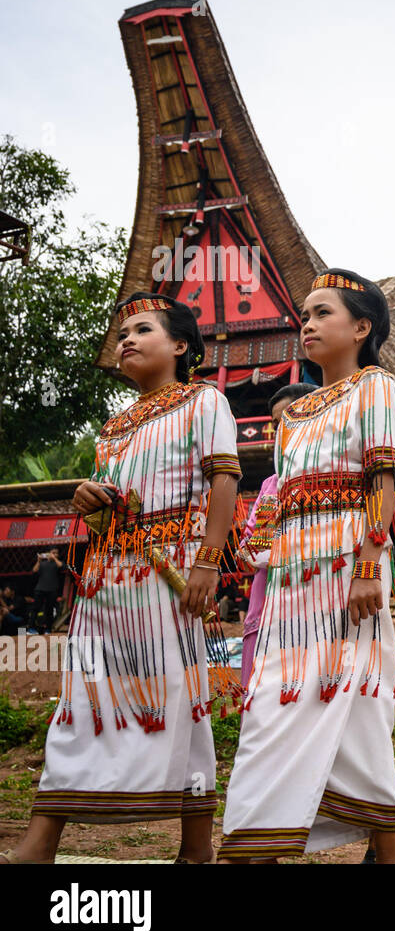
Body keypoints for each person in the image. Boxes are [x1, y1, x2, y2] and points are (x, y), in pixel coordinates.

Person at [3, 292, 239, 865]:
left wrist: (208, 562)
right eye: (121, 333)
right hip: (106, 578)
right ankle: (41, 842)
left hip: (172, 574)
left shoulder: (202, 401)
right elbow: (113, 503)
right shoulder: (113, 427)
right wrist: (90, 496)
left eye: (141, 329)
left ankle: (196, 848)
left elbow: (225, 481)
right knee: (83, 695)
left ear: (181, 345)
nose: (126, 339)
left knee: (180, 698)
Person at [220, 269, 395, 864]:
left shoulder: (376, 386)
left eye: (322, 314)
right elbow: (282, 495)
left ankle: (376, 848)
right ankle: (259, 835)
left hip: (351, 566)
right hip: (291, 578)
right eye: (304, 316)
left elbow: (385, 475)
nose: (307, 325)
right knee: (274, 697)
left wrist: (370, 561)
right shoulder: (295, 414)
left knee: (358, 695)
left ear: (361, 327)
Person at [234, 382, 314, 691]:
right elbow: (251, 538)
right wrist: (247, 552)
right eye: (276, 424)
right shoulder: (270, 484)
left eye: (288, 421)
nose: (281, 432)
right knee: (261, 697)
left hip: (312, 600)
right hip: (266, 599)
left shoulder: (336, 476)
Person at [29, 548, 64, 635]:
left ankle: (48, 629)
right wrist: (39, 561)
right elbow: (34, 571)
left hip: (52, 590)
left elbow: (61, 566)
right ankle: (31, 628)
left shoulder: (57, 563)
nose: (54, 554)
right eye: (53, 553)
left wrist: (54, 558)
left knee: (49, 610)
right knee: (35, 609)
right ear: (48, 553)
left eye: (56, 553)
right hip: (40, 589)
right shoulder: (43, 563)